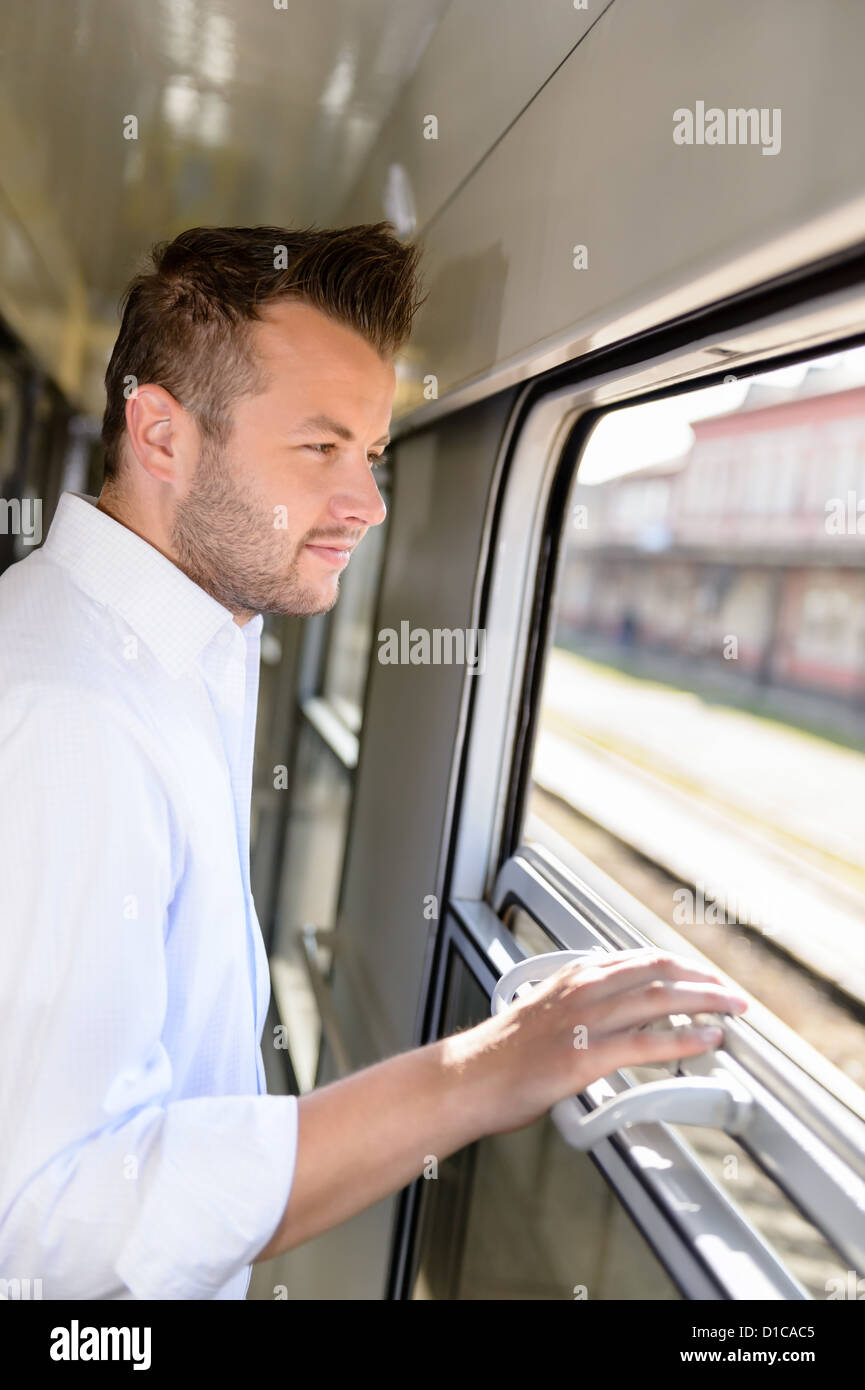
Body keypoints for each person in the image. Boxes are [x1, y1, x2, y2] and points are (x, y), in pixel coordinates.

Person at [0, 223, 748, 1299]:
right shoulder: (64, 713)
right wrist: (489, 1069)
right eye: (319, 449)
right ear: (160, 436)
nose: (368, 505)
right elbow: (49, 1224)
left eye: (372, 454)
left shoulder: (186, 635)